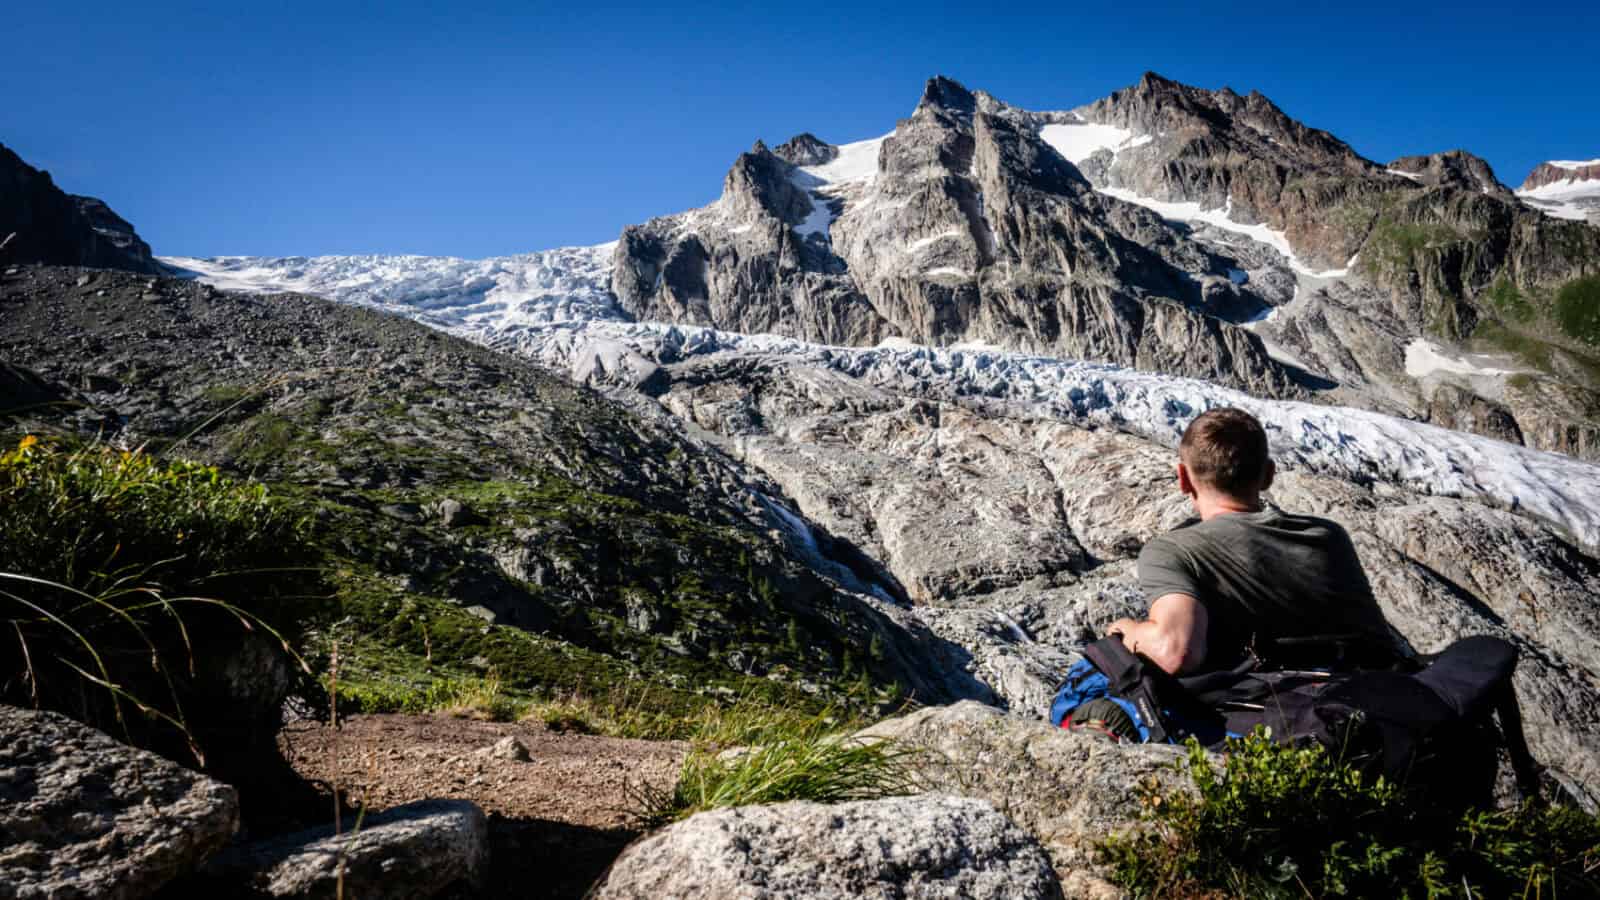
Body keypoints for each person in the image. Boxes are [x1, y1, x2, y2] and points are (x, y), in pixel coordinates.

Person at [1105, 407, 1404, 676]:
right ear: (1269, 475)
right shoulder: (1329, 536)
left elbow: (1176, 653)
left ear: (1182, 477)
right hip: (1376, 696)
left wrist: (1123, 632)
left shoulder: (1172, 551)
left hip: (1273, 709)